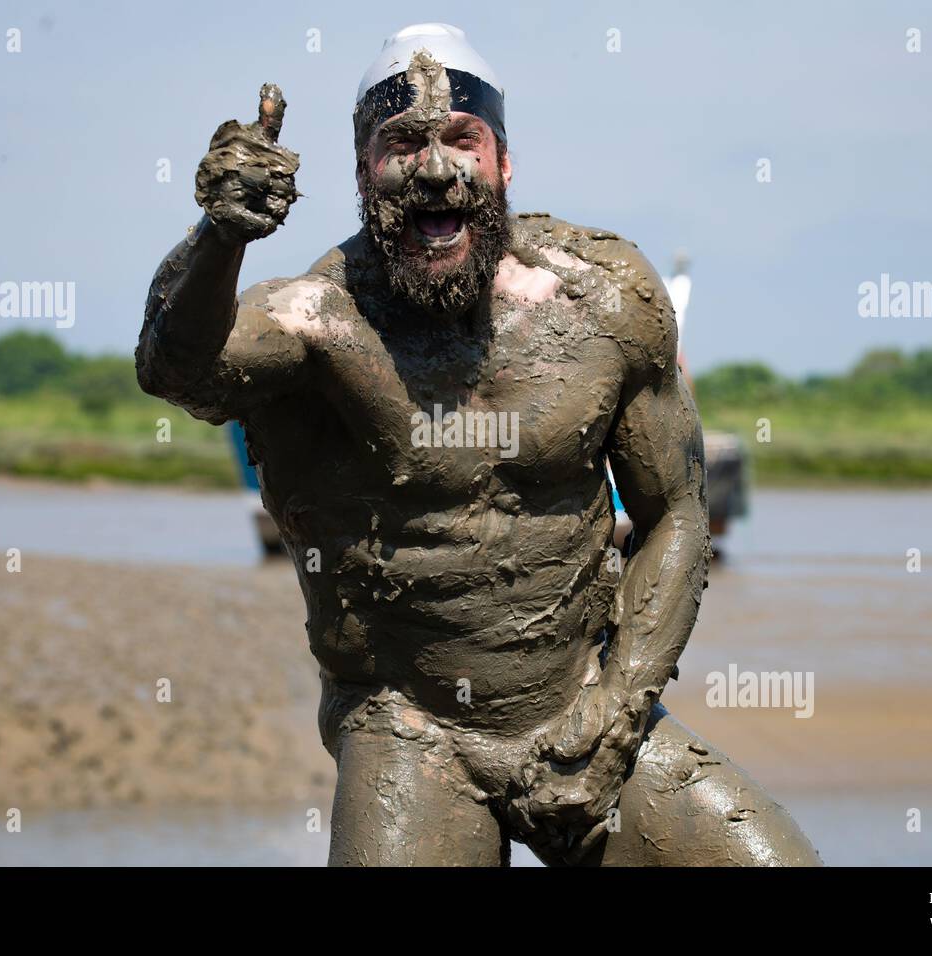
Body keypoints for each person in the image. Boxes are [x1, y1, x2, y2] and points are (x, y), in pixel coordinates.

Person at [137, 23, 818, 866]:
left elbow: (676, 514)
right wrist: (220, 237)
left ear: (503, 162)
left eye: (463, 139)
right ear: (362, 172)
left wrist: (613, 718)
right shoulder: (316, 320)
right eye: (402, 145)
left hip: (581, 702)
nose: (435, 168)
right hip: (410, 733)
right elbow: (179, 370)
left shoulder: (601, 300)